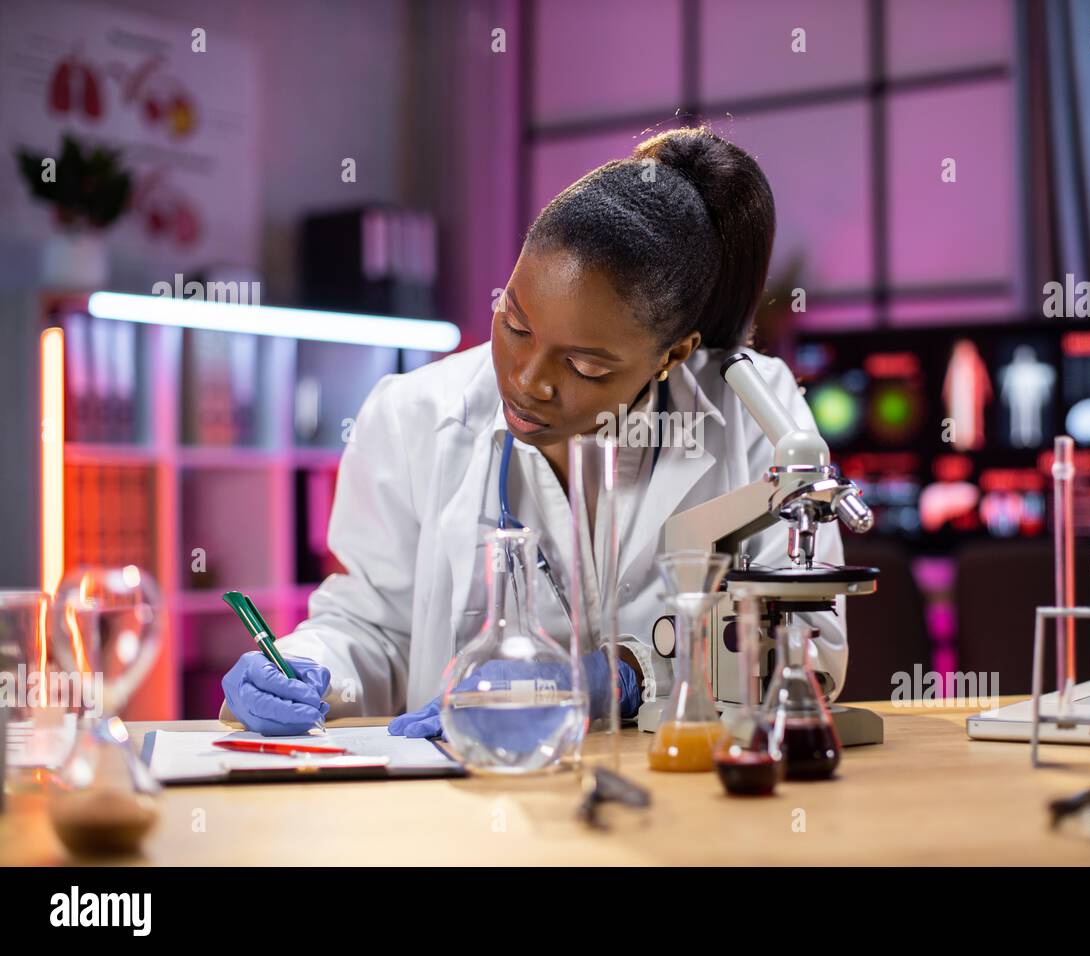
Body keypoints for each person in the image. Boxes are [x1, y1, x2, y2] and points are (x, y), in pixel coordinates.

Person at [220, 126, 848, 737]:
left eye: (584, 365)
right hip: (469, 810)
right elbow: (378, 628)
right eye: (515, 324)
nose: (528, 380)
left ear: (673, 354)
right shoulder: (411, 415)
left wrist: (629, 675)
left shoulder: (753, 411)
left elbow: (813, 654)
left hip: (685, 807)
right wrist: (313, 668)